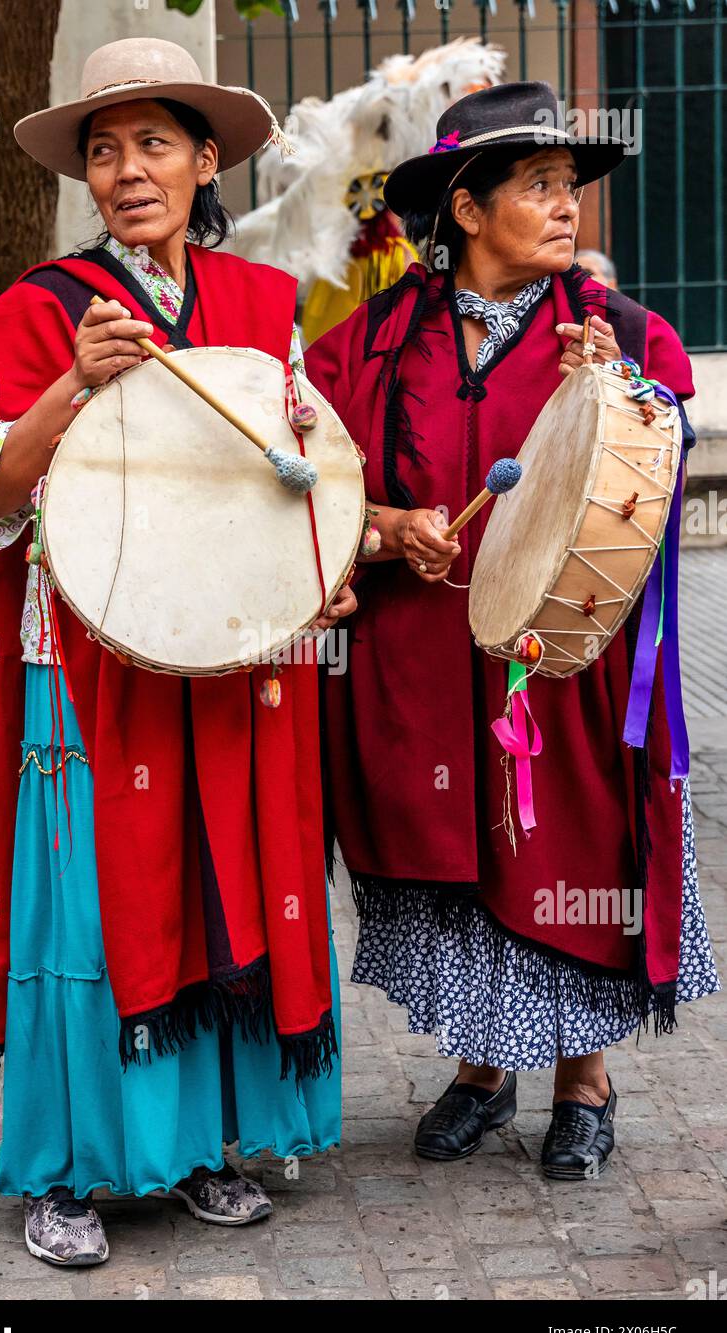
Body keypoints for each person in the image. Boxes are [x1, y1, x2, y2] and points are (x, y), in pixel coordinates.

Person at [0, 37, 354, 1267]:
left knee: (219, 884)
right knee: (91, 909)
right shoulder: (41, 312)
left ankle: (201, 1148)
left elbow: (304, 470)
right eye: (103, 152)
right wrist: (65, 390)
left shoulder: (258, 308)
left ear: (205, 158)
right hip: (88, 662)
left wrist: (321, 575)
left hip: (224, 656)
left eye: (153, 143)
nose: (126, 171)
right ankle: (65, 1171)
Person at [305, 81, 719, 1182]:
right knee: (452, 855)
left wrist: (623, 405)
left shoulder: (620, 332)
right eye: (537, 184)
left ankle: (585, 1080)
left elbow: (666, 442)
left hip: (565, 666)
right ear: (469, 208)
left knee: (567, 853)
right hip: (422, 660)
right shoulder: (372, 344)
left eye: (569, 184)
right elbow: (308, 481)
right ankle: (485, 1070)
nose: (566, 203)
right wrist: (390, 530)